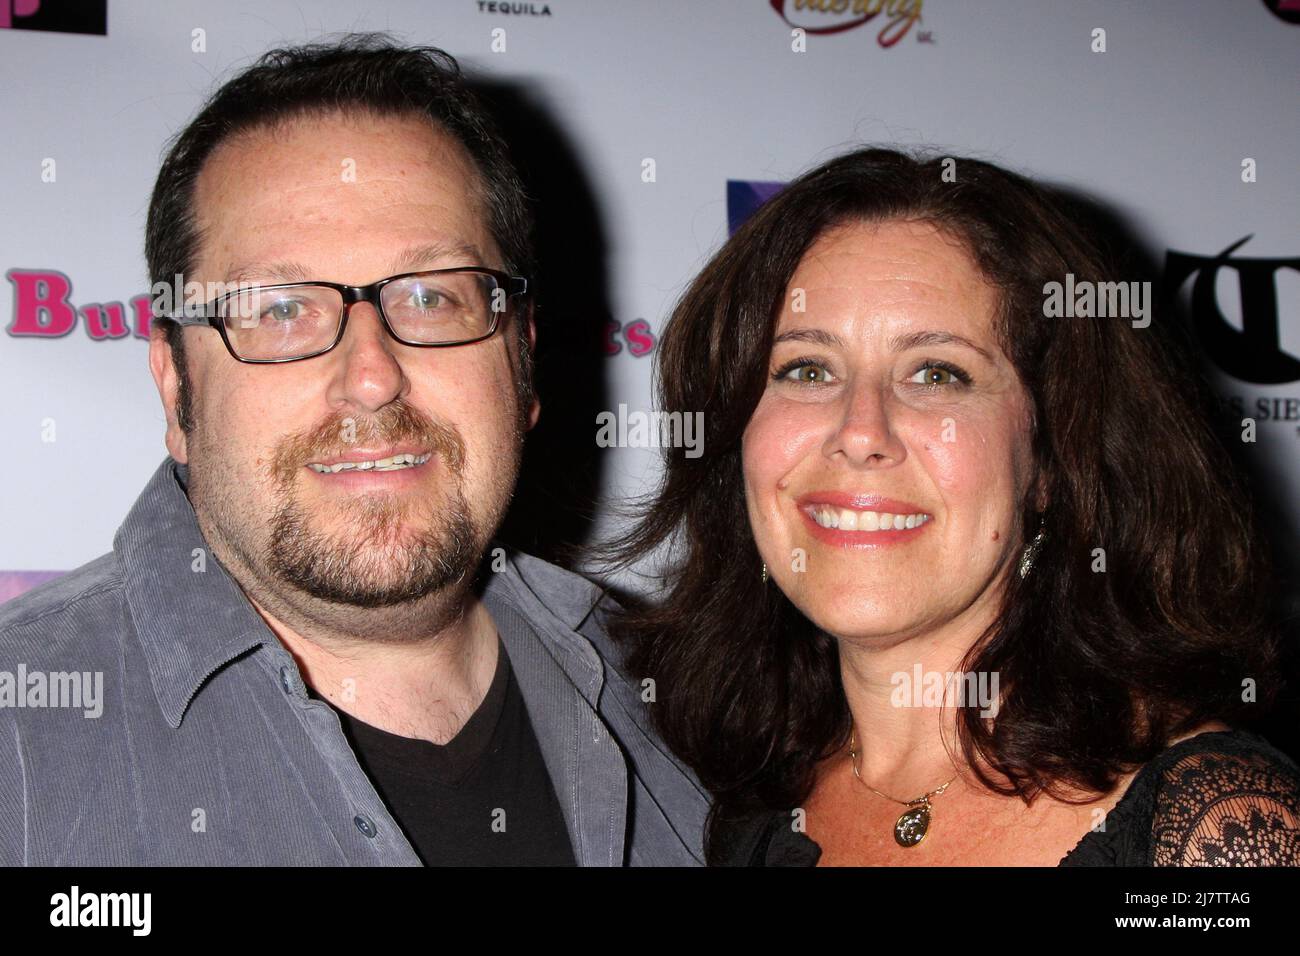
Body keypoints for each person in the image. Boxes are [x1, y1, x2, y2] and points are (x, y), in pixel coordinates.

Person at [0, 34, 707, 866]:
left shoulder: (686, 705)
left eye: (431, 296)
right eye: (280, 309)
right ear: (174, 386)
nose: (370, 378)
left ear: (522, 360)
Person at [605, 146, 1300, 866]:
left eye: (937, 373)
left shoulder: (1217, 832)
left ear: (1051, 464)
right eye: (807, 369)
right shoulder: (733, 804)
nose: (861, 434)